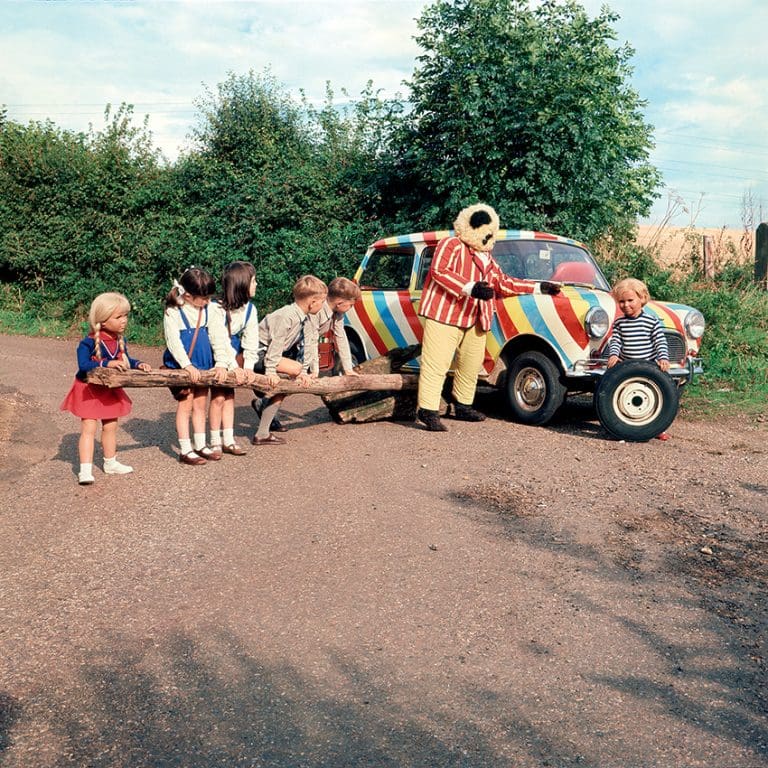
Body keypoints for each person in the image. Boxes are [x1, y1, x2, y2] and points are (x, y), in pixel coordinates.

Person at [416, 203, 561, 431]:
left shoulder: (487, 258)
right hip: (445, 313)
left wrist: (539, 287)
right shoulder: (451, 244)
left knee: (471, 364)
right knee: (437, 363)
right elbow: (439, 271)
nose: (490, 239)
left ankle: (462, 404)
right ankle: (427, 409)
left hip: (477, 316)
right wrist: (470, 288)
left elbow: (504, 282)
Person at [60, 292, 151, 484]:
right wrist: (106, 364)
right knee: (89, 429)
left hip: (109, 389)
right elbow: (83, 365)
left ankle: (111, 463)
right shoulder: (87, 342)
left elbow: (126, 359)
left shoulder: (120, 340)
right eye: (118, 317)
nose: (124, 320)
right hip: (89, 390)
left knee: (110, 427)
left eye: (125, 315)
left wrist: (138, 364)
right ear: (102, 320)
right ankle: (85, 470)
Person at [162, 266, 229, 465]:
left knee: (201, 403)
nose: (208, 301)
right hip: (184, 365)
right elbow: (173, 342)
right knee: (186, 404)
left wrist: (221, 363)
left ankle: (200, 444)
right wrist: (186, 365)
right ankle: (185, 448)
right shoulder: (173, 312)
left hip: (204, 363)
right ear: (189, 296)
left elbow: (218, 337)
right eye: (204, 298)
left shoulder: (209, 310)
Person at [250, 274, 327, 445]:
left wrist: (304, 373)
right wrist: (271, 371)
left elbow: (302, 346)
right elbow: (275, 344)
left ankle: (262, 431)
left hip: (272, 355)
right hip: (257, 354)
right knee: (295, 370)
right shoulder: (287, 315)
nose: (322, 306)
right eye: (322, 302)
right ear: (312, 302)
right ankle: (263, 414)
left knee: (285, 386)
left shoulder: (303, 317)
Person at [607, 277, 672, 440]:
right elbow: (616, 340)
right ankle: (615, 423)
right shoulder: (619, 323)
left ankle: (657, 428)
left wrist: (663, 358)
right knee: (617, 392)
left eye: (630, 300)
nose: (626, 305)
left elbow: (660, 341)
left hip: (647, 365)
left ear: (642, 298)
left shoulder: (651, 321)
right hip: (626, 366)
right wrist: (614, 354)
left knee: (655, 397)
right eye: (621, 302)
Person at [208, 261, 260, 457]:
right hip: (217, 354)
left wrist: (248, 367)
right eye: (253, 281)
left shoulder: (250, 309)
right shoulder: (216, 309)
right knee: (218, 396)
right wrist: (232, 366)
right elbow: (219, 340)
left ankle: (228, 439)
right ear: (241, 284)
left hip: (234, 353)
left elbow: (251, 341)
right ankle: (214, 441)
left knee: (230, 396)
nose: (256, 285)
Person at [311, 276, 362, 377]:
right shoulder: (316, 311)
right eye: (350, 305)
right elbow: (310, 341)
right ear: (339, 303)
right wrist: (314, 371)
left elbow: (341, 338)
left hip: (316, 353)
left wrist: (348, 369)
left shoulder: (338, 314)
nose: (351, 308)